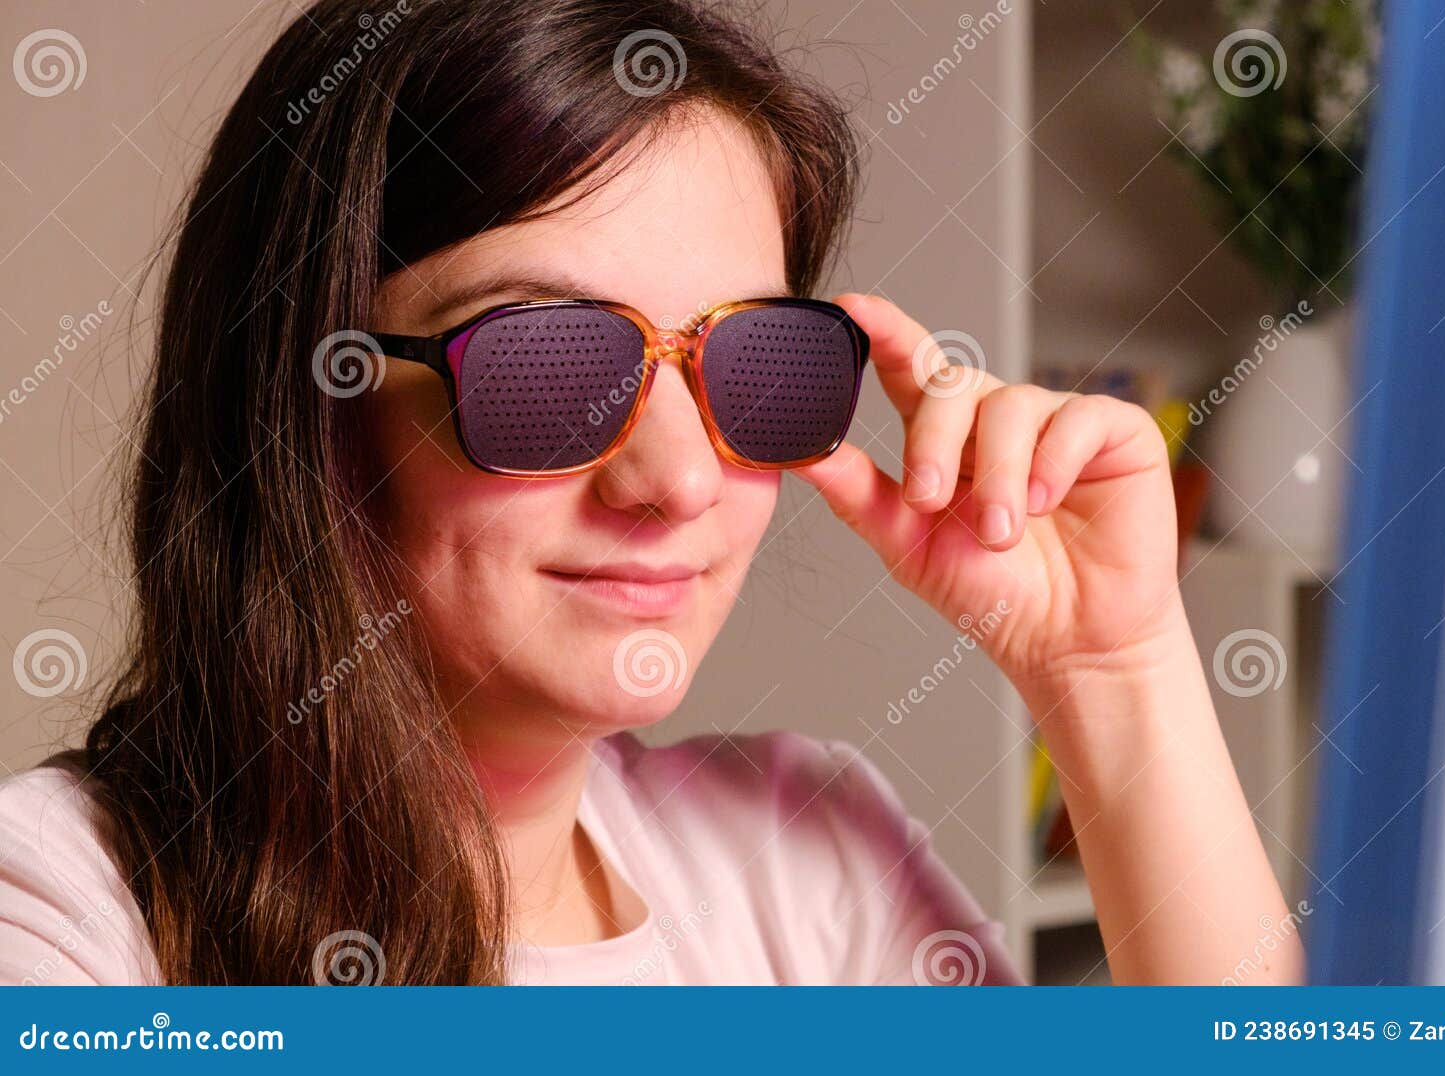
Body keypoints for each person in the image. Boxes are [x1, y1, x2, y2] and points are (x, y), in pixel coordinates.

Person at [0, 0, 1298, 985]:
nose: (675, 480)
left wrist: (1109, 670)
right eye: (548, 363)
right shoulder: (56, 911)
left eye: (756, 367)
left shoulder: (806, 854)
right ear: (305, 396)